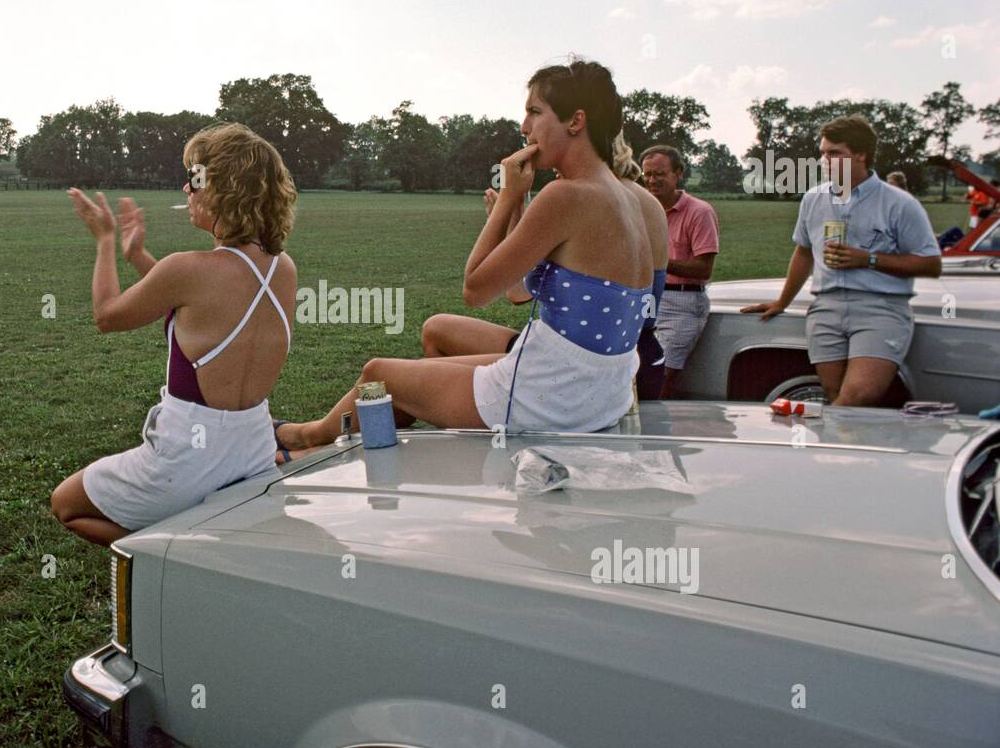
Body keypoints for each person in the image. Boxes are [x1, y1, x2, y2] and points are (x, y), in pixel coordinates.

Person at [274, 60, 651, 458]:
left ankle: (305, 439)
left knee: (378, 375)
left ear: (576, 122)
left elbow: (475, 289)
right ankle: (324, 445)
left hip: (557, 393)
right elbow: (523, 289)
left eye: (535, 112)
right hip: (601, 390)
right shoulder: (626, 196)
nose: (524, 127)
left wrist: (508, 198)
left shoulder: (568, 195)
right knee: (417, 372)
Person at [52, 123, 298, 545]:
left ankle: (174, 550)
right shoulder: (283, 269)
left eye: (197, 178)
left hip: (185, 460)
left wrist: (105, 240)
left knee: (66, 503)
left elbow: (108, 316)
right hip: (254, 455)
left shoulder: (187, 268)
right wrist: (140, 257)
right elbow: (202, 309)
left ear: (226, 190)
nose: (187, 187)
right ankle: (194, 542)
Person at [419, 131, 669, 399]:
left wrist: (508, 206)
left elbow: (511, 292)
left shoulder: (583, 198)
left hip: (579, 368)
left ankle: (478, 423)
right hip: (643, 358)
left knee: (420, 372)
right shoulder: (647, 202)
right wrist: (518, 218)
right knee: (437, 328)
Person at [741, 115, 942, 406]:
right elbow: (804, 252)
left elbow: (930, 264)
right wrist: (782, 302)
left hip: (880, 307)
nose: (825, 160)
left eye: (834, 153)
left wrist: (869, 259)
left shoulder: (899, 203)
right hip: (826, 307)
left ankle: (818, 445)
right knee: (835, 395)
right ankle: (846, 451)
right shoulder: (814, 198)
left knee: (858, 396)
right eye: (823, 153)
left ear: (861, 155)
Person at [641, 145, 720, 398]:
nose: (652, 181)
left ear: (678, 174)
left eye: (660, 174)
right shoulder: (641, 209)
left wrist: (659, 262)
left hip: (683, 300)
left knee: (660, 376)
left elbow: (703, 268)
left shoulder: (699, 212)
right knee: (636, 369)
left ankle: (656, 432)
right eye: (647, 174)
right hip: (648, 298)